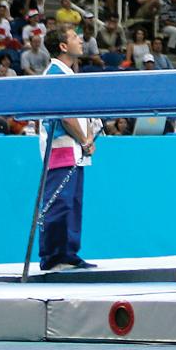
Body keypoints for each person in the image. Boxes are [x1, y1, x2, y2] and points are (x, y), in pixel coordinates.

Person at [40, 25, 100, 272]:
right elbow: (65, 117)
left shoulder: (68, 74)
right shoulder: (55, 73)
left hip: (76, 148)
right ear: (63, 46)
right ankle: (53, 257)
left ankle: (69, 254)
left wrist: (88, 138)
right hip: (61, 147)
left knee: (73, 203)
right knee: (59, 202)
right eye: (75, 37)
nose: (81, 40)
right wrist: (85, 140)